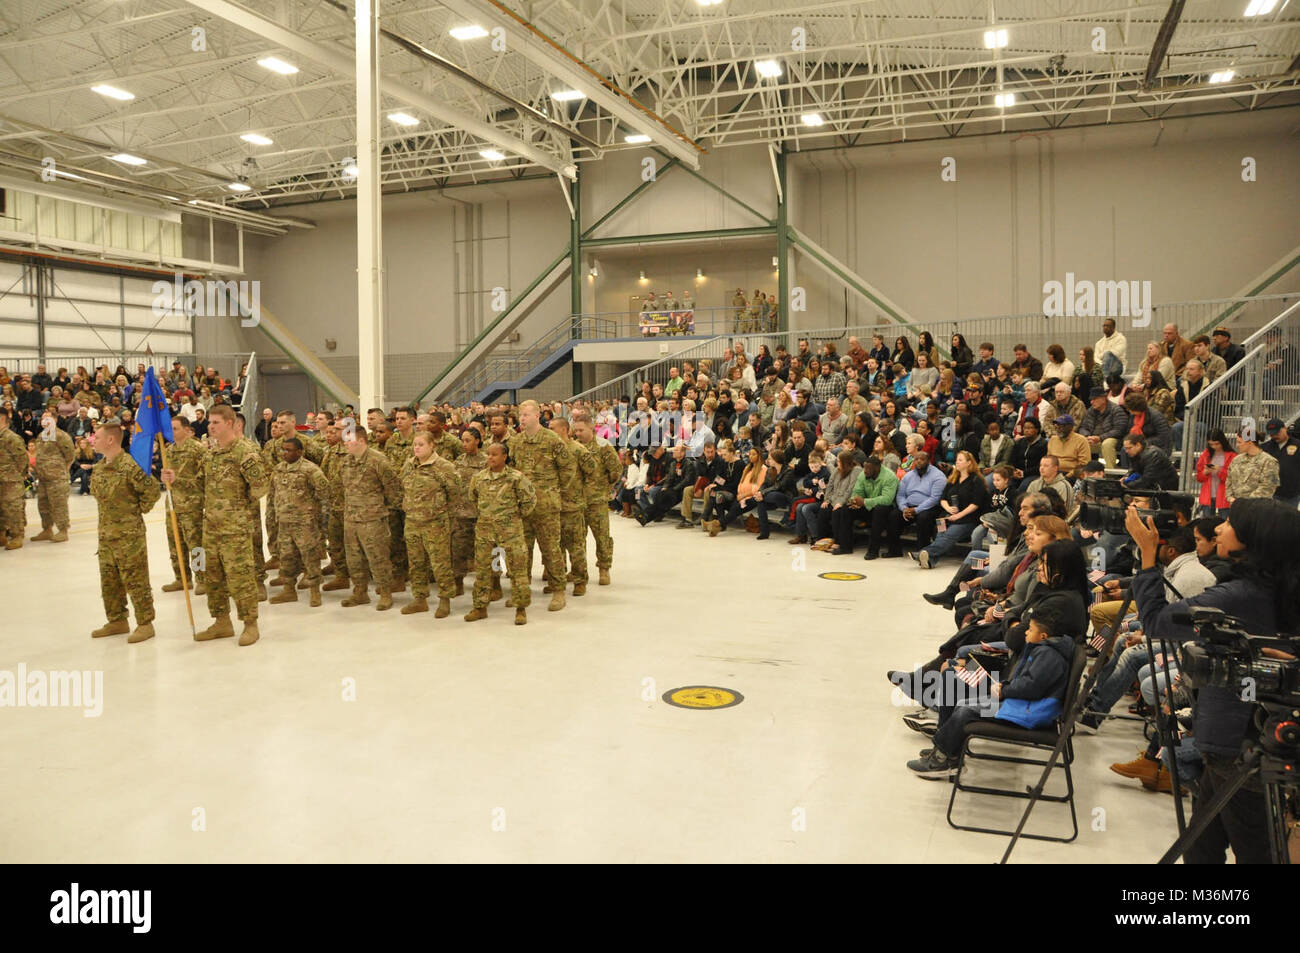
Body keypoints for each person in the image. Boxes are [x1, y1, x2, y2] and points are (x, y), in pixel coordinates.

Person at [1125, 498, 1300, 862]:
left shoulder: (1238, 596)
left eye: (1230, 523)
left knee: (1254, 852)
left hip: (1236, 746)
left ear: (1254, 540)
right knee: (1200, 847)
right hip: (1249, 738)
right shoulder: (1280, 589)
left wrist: (1146, 555)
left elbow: (1157, 621)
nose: (1219, 528)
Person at [906, 541, 1085, 778]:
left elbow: (1013, 638)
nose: (1038, 568)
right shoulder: (1050, 593)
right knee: (953, 672)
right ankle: (946, 746)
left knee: (959, 686)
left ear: (1059, 573)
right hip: (1011, 675)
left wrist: (1013, 622)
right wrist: (1013, 619)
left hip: (1012, 689)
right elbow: (1014, 621)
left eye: (1044, 564)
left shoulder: (1059, 604)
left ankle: (945, 754)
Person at [89, 420, 162, 643]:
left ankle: (145, 623)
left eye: (97, 437)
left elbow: (152, 492)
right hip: (106, 535)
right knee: (109, 581)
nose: (93, 441)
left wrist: (134, 512)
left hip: (129, 536)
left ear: (110, 440)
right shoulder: (100, 467)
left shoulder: (131, 466)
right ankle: (117, 620)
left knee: (136, 579)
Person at [508, 400, 578, 611]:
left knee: (551, 549)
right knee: (522, 551)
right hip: (524, 507)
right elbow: (511, 468)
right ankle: (522, 590)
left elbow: (568, 469)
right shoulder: (517, 441)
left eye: (527, 414)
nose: (522, 418)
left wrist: (554, 490)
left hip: (547, 506)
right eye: (520, 415)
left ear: (537, 415)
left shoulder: (552, 440)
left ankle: (558, 591)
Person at [466, 443, 535, 625]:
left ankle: (520, 608)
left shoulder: (516, 478)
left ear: (504, 456)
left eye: (494, 454)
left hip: (510, 530)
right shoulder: (479, 478)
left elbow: (529, 501)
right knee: (482, 569)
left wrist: (513, 517)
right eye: (488, 454)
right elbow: (473, 498)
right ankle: (480, 606)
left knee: (517, 569)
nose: (490, 458)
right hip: (485, 530)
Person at [339, 426, 403, 611]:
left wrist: (386, 511)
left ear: (361, 441)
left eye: (349, 440)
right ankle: (360, 592)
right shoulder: (345, 462)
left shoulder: (379, 461)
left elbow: (393, 489)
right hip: (351, 518)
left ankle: (385, 593)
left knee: (378, 558)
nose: (345, 444)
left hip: (373, 519)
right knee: (354, 558)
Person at [400, 430, 463, 618]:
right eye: (415, 445)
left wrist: (442, 514)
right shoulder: (409, 465)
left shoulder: (444, 467)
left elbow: (455, 494)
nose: (417, 448)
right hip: (412, 521)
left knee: (440, 564)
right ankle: (420, 599)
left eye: (421, 445)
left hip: (435, 523)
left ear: (432, 446)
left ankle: (445, 600)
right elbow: (402, 486)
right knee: (416, 563)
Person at [268, 436, 329, 608]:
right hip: (284, 521)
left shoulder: (310, 469)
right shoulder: (279, 469)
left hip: (305, 522)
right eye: (283, 450)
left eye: (289, 450)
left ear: (300, 452)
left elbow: (324, 492)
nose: (284, 453)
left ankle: (315, 590)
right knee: (286, 556)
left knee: (310, 556)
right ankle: (289, 590)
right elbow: (273, 494)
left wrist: (313, 511)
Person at [914, 450, 989, 569]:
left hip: (968, 519)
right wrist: (948, 508)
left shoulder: (976, 480)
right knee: (940, 531)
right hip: (948, 515)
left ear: (969, 463)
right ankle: (930, 560)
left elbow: (975, 504)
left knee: (950, 534)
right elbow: (942, 498)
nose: (957, 462)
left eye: (960, 460)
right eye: (957, 460)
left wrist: (957, 516)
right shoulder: (953, 478)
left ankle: (924, 553)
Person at [160, 415, 209, 596]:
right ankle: (182, 578)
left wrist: (178, 480)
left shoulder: (198, 450)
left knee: (195, 544)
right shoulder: (169, 450)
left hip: (192, 505)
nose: (171, 432)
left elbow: (204, 478)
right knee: (175, 544)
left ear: (187, 430)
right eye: (170, 428)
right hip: (172, 504)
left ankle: (202, 578)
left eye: (175, 428)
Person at [571, 411, 619, 585]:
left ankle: (604, 569)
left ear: (591, 428)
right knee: (577, 538)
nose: (578, 434)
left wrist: (604, 487)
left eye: (581, 430)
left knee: (602, 536)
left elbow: (615, 470)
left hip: (597, 500)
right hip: (577, 501)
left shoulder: (603, 446)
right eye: (576, 430)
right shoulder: (573, 447)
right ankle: (578, 570)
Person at [549, 417, 595, 595]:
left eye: (553, 428)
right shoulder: (549, 450)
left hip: (572, 506)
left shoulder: (577, 450)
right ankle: (558, 580)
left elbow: (592, 470)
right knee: (555, 547)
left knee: (575, 546)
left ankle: (580, 580)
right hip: (553, 506)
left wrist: (580, 491)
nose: (549, 430)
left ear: (564, 429)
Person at [885, 450, 945, 558]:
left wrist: (916, 510)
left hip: (930, 507)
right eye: (916, 459)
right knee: (893, 515)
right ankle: (894, 550)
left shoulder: (938, 476)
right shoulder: (909, 476)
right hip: (909, 507)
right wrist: (904, 508)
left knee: (923, 518)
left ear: (929, 461)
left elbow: (934, 498)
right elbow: (900, 495)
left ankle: (923, 552)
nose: (918, 462)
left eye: (922, 459)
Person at [451, 428, 488, 596]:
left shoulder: (488, 461)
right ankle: (458, 581)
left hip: (484, 515)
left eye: (468, 440)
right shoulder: (458, 461)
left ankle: (496, 582)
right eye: (462, 440)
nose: (464, 444)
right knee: (458, 550)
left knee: (493, 551)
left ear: (477, 441)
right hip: (462, 514)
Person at [30, 411, 74, 542]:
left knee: (59, 505)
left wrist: (62, 470)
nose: (44, 421)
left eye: (47, 418)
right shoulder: (41, 436)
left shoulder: (61, 436)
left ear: (55, 419)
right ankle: (47, 529)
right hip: (43, 477)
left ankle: (63, 531)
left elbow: (70, 455)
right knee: (43, 505)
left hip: (57, 478)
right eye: (42, 418)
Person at [1224, 423, 1279, 502]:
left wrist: (1245, 503)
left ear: (1250, 443)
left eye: (1239, 442)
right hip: (1236, 508)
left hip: (1258, 509)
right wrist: (1231, 498)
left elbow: (1268, 488)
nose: (1237, 445)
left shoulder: (1269, 461)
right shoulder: (1236, 460)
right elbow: (1228, 482)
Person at [0, 407, 27, 548]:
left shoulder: (12, 438)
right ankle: (2, 535)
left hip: (11, 481)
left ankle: (17, 536)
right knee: (1, 509)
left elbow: (22, 460)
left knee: (13, 509)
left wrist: (13, 475)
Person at [1193, 429, 1234, 517]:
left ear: (1222, 441)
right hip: (1208, 495)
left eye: (1217, 444)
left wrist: (1219, 470)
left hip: (1224, 496)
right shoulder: (1205, 454)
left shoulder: (1232, 455)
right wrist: (1205, 472)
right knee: (1207, 525)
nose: (1214, 446)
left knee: (1225, 523)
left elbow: (1233, 477)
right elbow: (1199, 478)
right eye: (1211, 444)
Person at [1262, 418, 1300, 509]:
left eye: (1277, 433)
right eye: (1271, 434)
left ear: (1285, 429)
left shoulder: (1298, 445)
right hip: (1271, 494)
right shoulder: (1265, 448)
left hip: (1292, 494)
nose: (1274, 436)